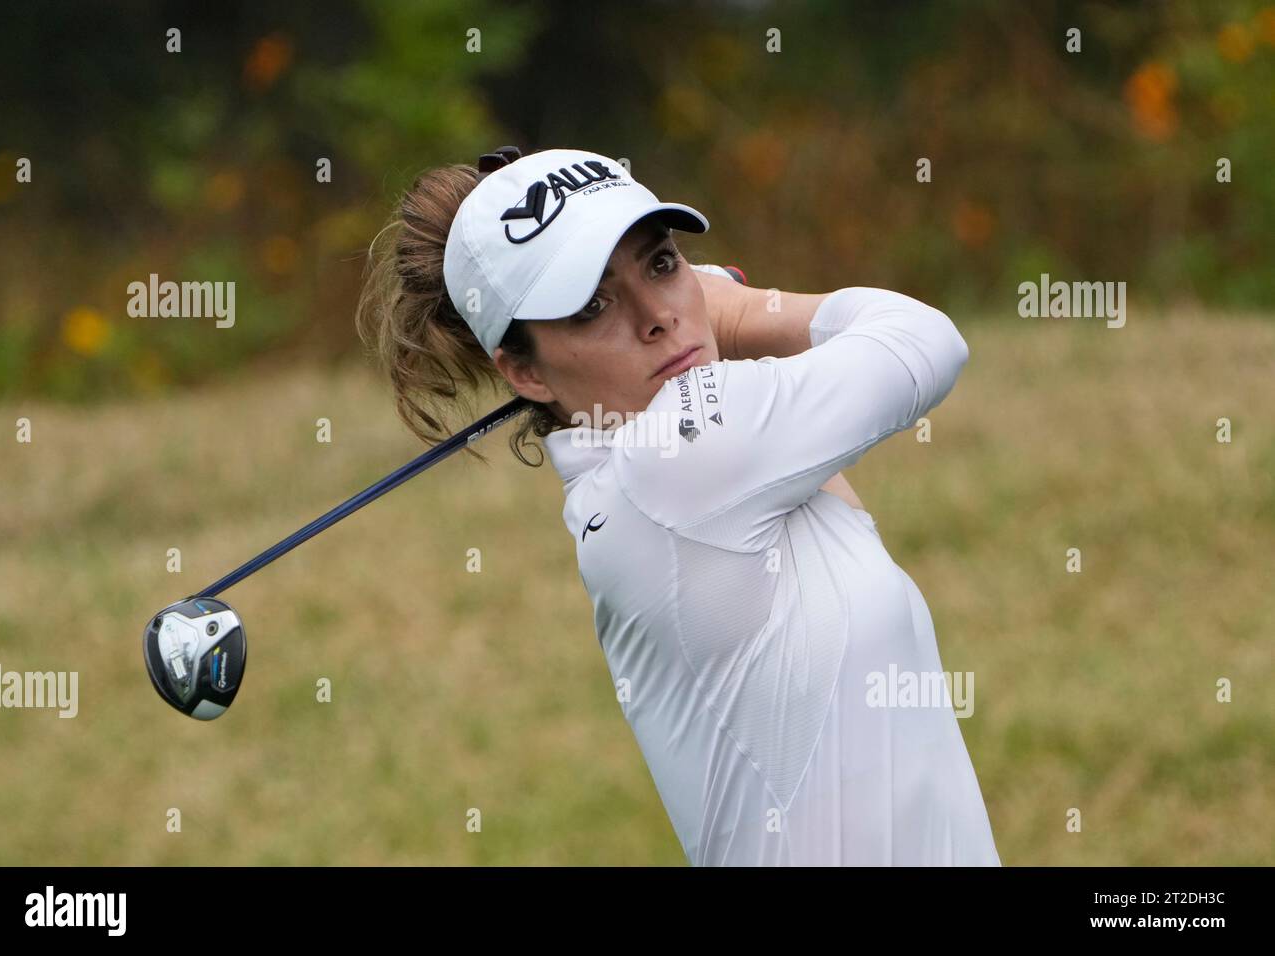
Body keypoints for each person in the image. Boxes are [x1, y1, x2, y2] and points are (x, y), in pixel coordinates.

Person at [357, 145, 1001, 866]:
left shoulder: (674, 476)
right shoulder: (677, 460)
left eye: (661, 263)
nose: (656, 316)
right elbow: (925, 341)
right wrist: (742, 308)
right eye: (592, 305)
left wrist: (710, 332)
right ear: (525, 372)